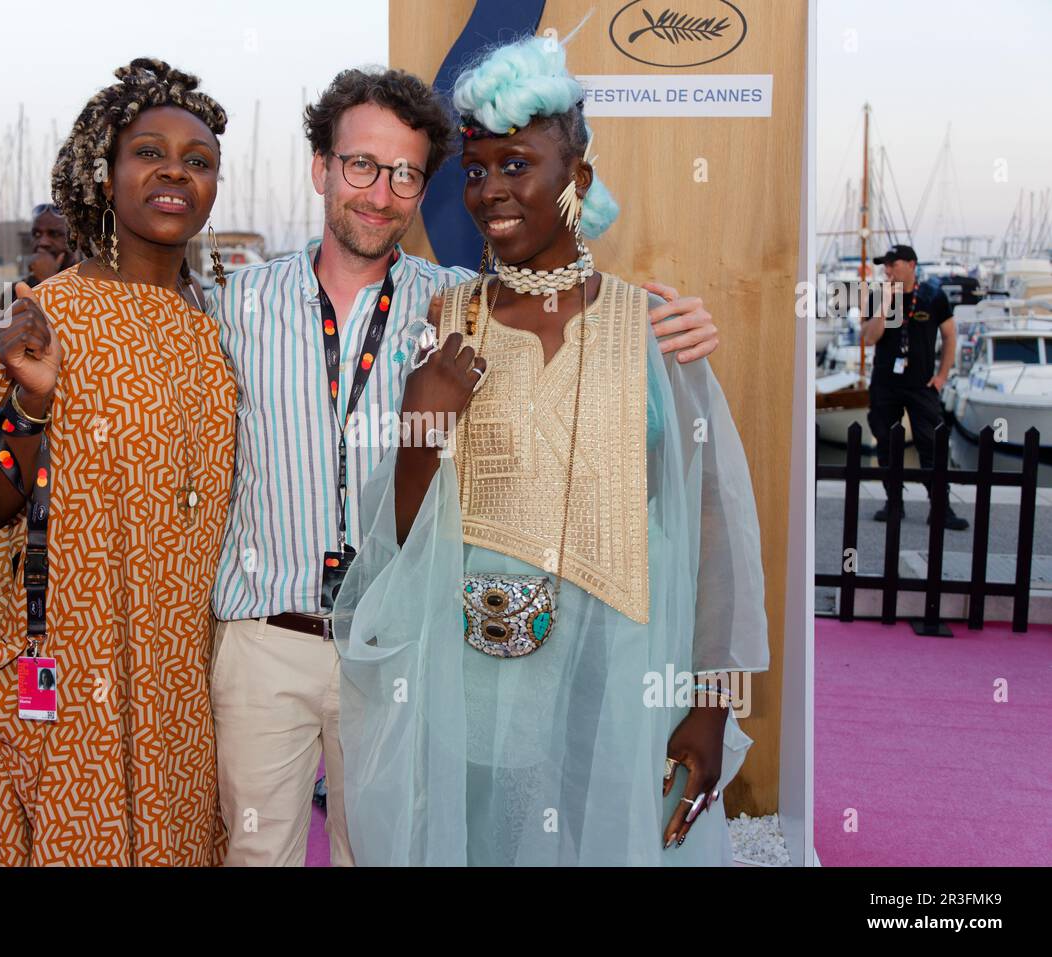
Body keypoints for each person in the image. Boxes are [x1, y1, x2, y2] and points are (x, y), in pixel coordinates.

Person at [208, 65, 722, 866]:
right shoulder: (231, 303)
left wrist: (674, 326)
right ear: (321, 168)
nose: (381, 192)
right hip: (267, 637)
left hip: (403, 647)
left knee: (385, 848)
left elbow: (565, 301)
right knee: (252, 854)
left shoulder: (453, 304)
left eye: (407, 173)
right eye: (361, 166)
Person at [330, 35, 770, 865]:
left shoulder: (652, 327)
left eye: (516, 164)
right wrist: (424, 424)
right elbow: (393, 543)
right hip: (469, 682)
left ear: (579, 179)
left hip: (615, 678)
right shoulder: (444, 319)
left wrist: (712, 701)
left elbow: (715, 526)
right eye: (475, 168)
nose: (489, 190)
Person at [0, 58, 234, 866]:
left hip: (180, 665)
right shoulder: (52, 312)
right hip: (72, 657)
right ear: (102, 175)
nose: (176, 170)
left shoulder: (211, 330)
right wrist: (30, 404)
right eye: (150, 151)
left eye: (199, 159)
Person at [862, 244, 968, 530]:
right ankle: (893, 503)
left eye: (892, 264)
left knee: (931, 445)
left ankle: (940, 508)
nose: (887, 270)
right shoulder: (878, 295)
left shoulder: (933, 296)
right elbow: (870, 338)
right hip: (886, 383)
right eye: (884, 265)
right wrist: (886, 303)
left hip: (921, 384)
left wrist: (943, 375)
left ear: (910, 265)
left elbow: (949, 335)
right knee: (886, 443)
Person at [21, 203, 80, 288]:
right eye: (37, 234)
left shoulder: (91, 285)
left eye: (54, 234)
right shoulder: (15, 291)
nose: (43, 242)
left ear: (76, 238)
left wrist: (47, 280)